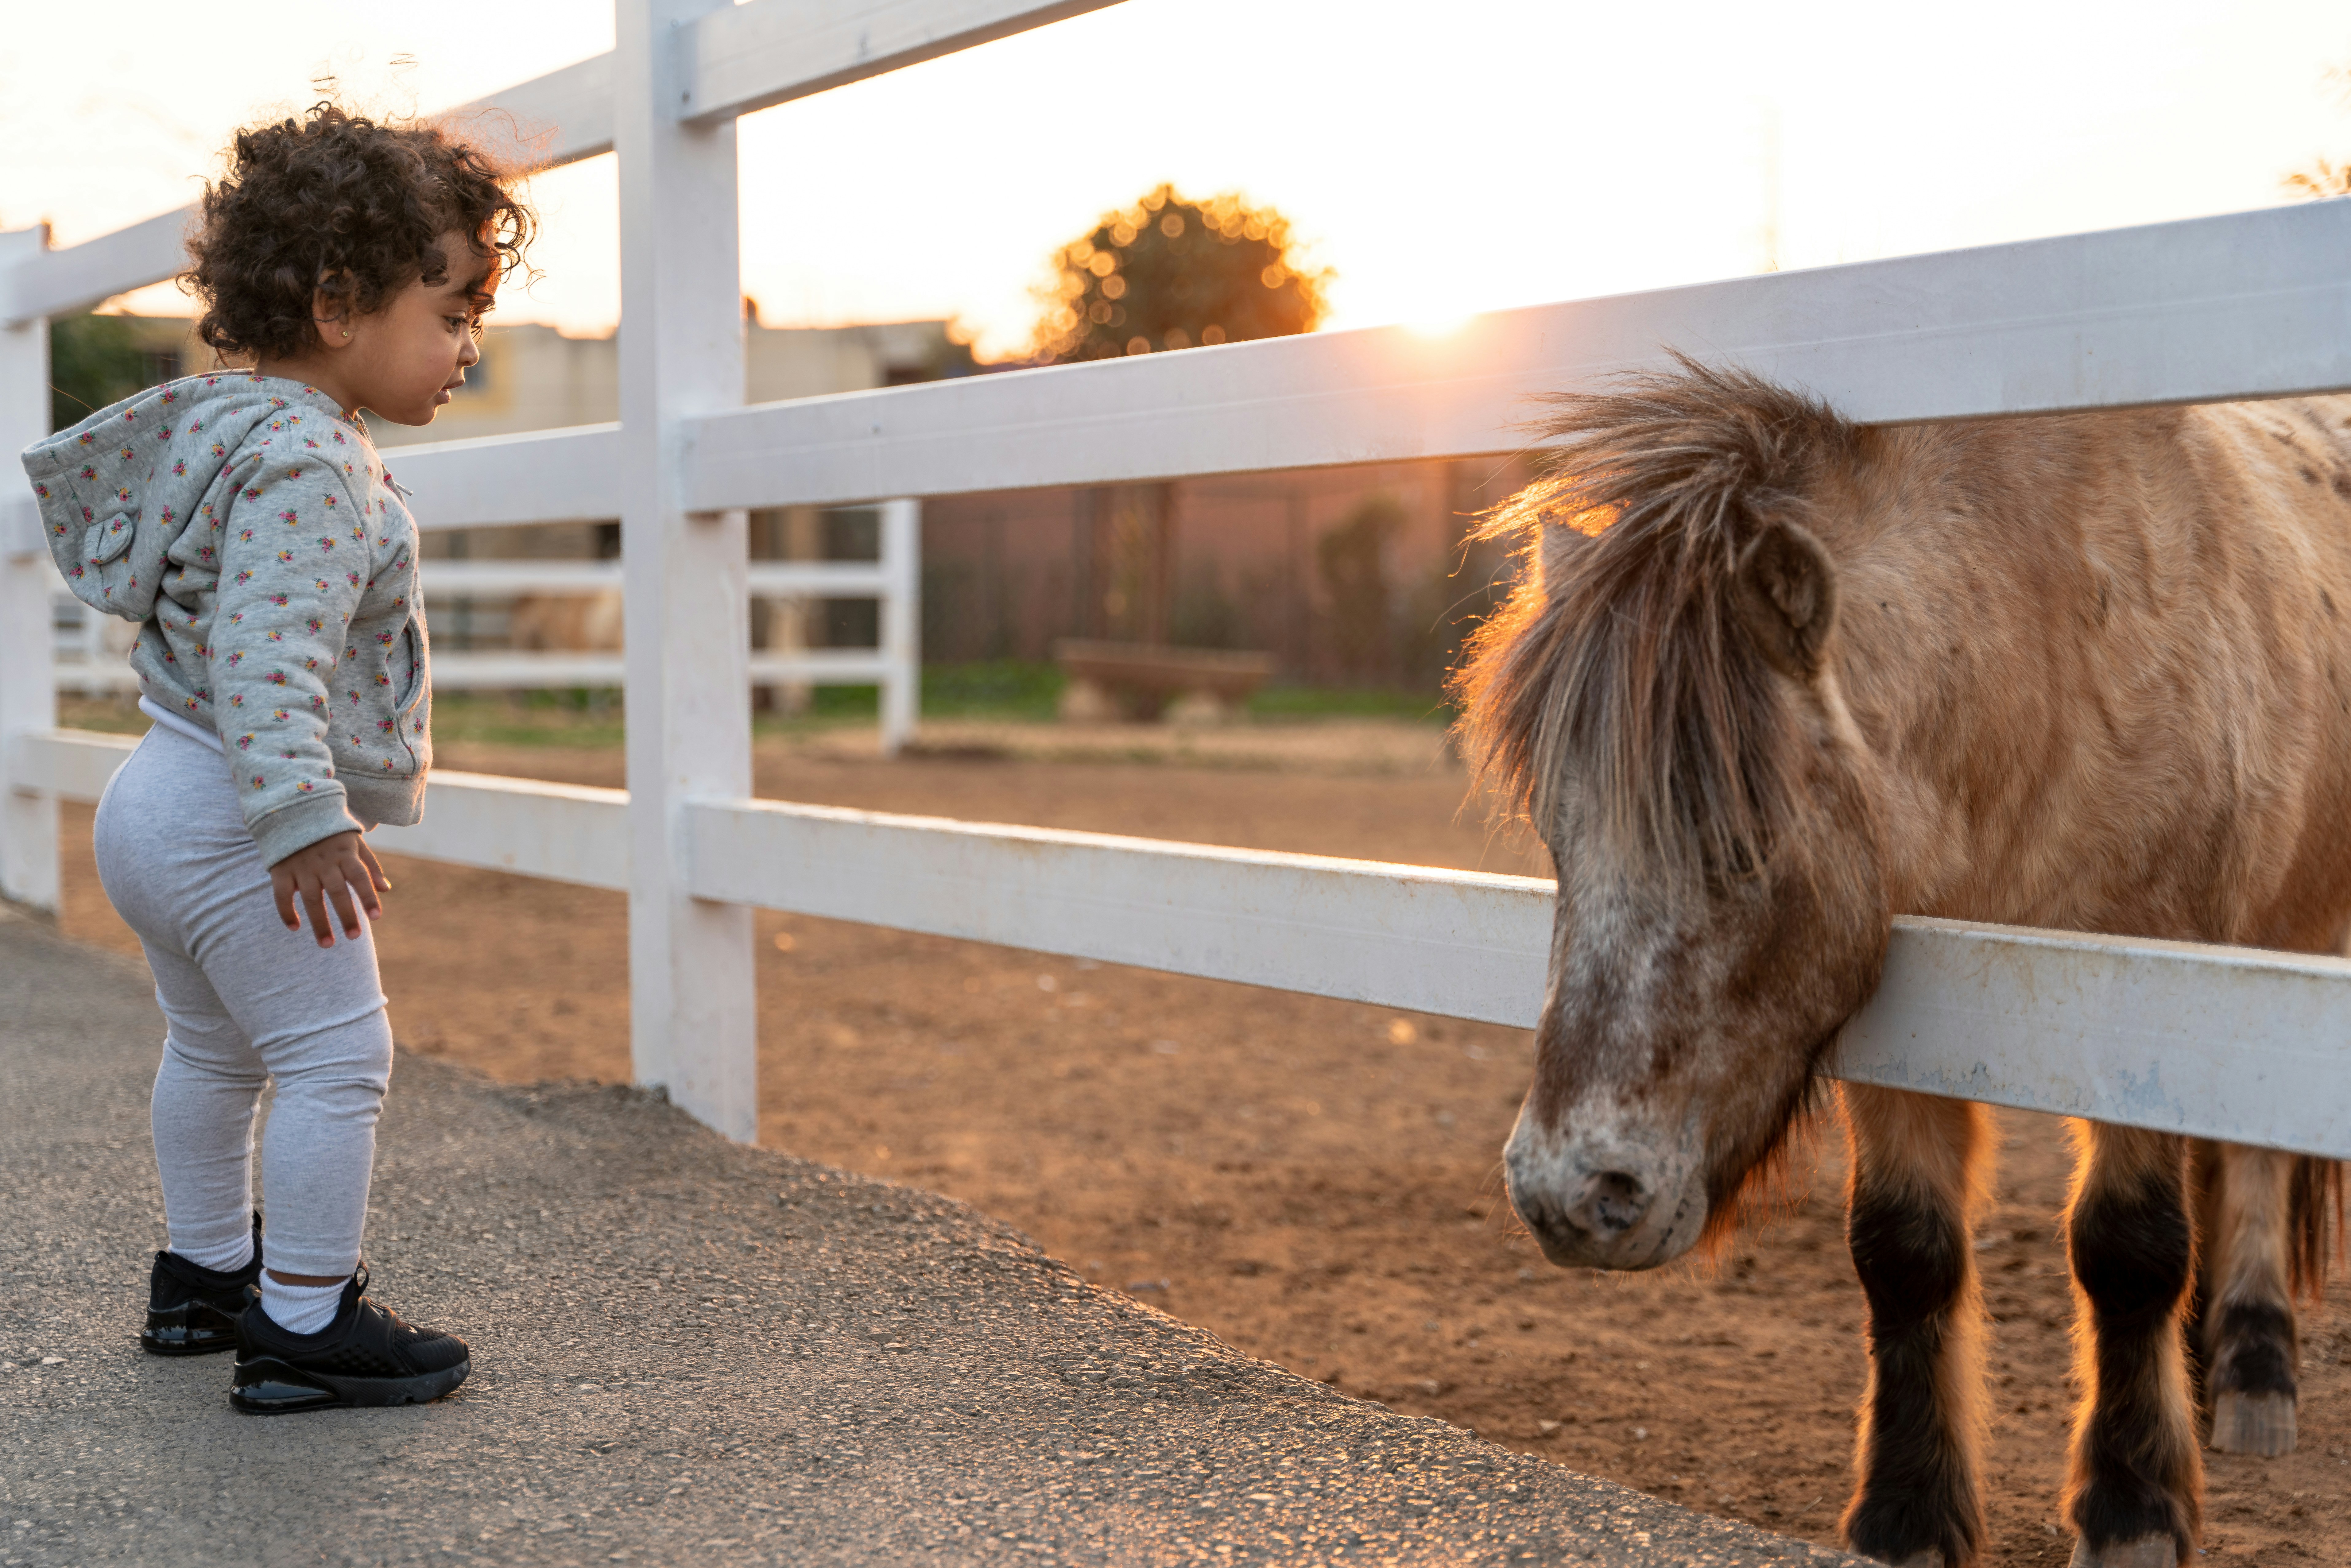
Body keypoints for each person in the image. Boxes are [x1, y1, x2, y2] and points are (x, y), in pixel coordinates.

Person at [18, 103, 533, 1413]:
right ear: (340, 300)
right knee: (334, 1060)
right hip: (239, 814)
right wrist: (303, 815)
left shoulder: (231, 429)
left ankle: (202, 1280)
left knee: (214, 1050)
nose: (468, 345)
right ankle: (303, 1320)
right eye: (452, 311)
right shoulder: (313, 464)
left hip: (158, 793)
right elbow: (265, 655)